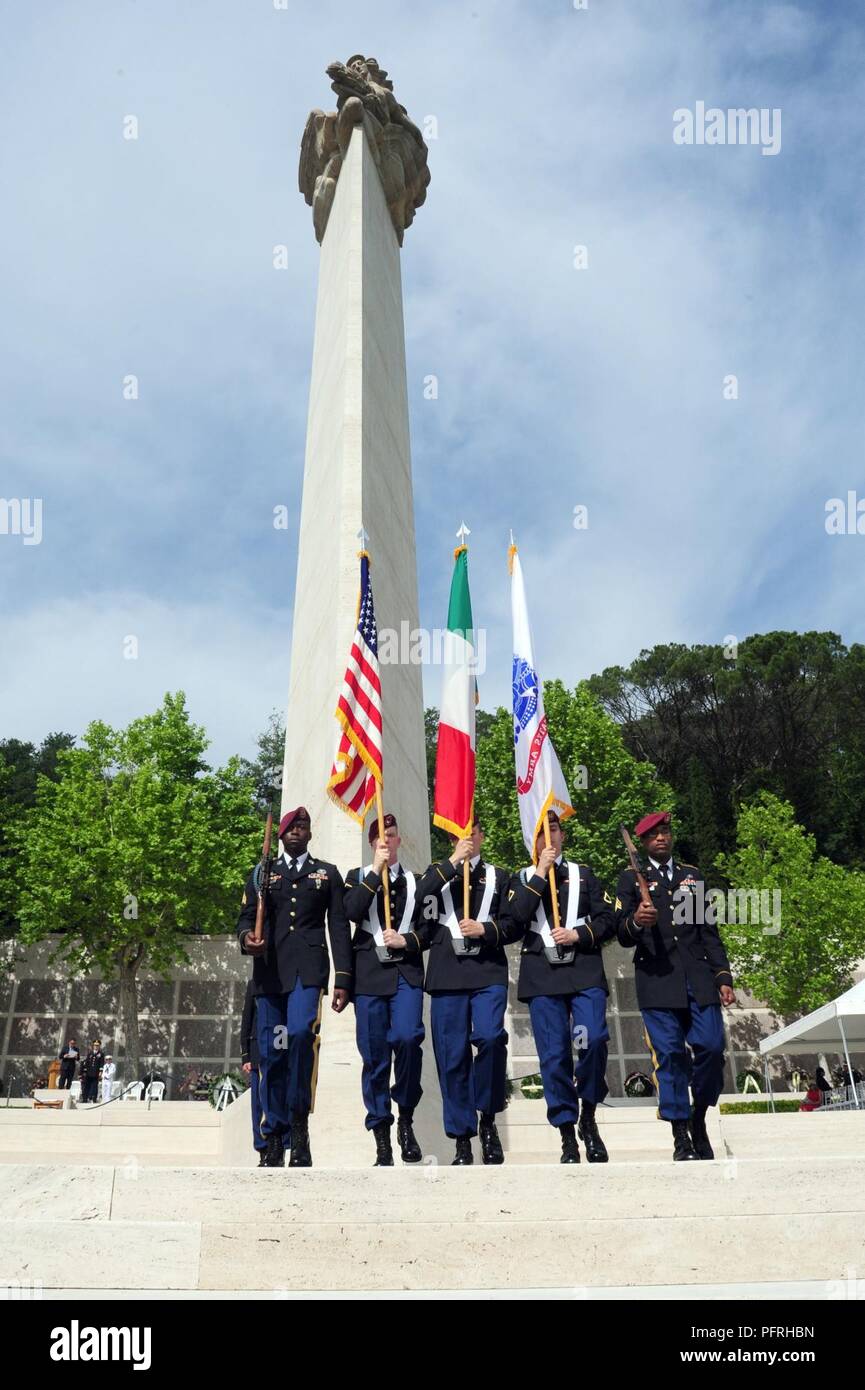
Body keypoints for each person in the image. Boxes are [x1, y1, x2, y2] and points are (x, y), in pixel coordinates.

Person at [615, 811, 735, 1162]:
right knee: (669, 1056)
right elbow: (620, 933)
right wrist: (637, 921)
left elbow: (707, 932)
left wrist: (722, 977)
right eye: (654, 835)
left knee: (712, 1048)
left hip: (697, 980)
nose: (661, 839)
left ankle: (699, 1116)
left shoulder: (691, 877)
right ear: (644, 842)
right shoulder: (631, 879)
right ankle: (681, 1134)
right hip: (657, 980)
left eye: (665, 832)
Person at [237, 805, 352, 1169]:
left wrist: (343, 979)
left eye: (304, 826)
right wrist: (247, 938)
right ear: (282, 834)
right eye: (291, 827)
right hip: (270, 973)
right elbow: (243, 919)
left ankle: (299, 1126)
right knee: (271, 1051)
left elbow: (337, 926)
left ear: (310, 834)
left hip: (307, 973)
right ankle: (273, 1134)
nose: (298, 832)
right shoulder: (261, 874)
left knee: (301, 1034)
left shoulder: (327, 874)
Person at [507, 811, 615, 1164]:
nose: (548, 837)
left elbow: (607, 919)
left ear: (563, 834)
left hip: (583, 972)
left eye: (552, 829)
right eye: (540, 832)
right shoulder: (520, 878)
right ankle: (567, 1133)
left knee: (593, 1039)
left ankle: (589, 1114)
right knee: (554, 1057)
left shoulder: (583, 875)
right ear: (532, 840)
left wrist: (578, 934)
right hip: (543, 977)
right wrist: (540, 870)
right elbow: (516, 918)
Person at [416, 821, 518, 1165]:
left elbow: (513, 924)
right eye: (461, 833)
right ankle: (462, 1137)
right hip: (447, 975)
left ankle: (488, 1118)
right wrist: (453, 861)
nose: (470, 838)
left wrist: (485, 928)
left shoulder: (500, 876)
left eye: (474, 832)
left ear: (482, 835)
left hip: (487, 970)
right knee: (452, 1057)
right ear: (451, 837)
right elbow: (420, 900)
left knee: (490, 1039)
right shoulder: (437, 873)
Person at [343, 813, 425, 1167]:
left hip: (405, 973)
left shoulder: (416, 882)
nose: (386, 842)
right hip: (369, 978)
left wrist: (406, 939)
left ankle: (405, 1117)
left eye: (391, 836)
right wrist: (375, 872)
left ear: (399, 840)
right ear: (371, 844)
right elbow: (351, 911)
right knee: (374, 1058)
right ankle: (381, 1135)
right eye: (380, 837)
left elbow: (429, 931)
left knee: (408, 1039)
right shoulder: (356, 878)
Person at [239, 977, 269, 1166]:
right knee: (258, 1106)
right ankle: (262, 1149)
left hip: (277, 1048)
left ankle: (278, 1145)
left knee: (274, 1101)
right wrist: (246, 1055)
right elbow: (247, 1019)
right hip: (257, 1051)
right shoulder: (254, 983)